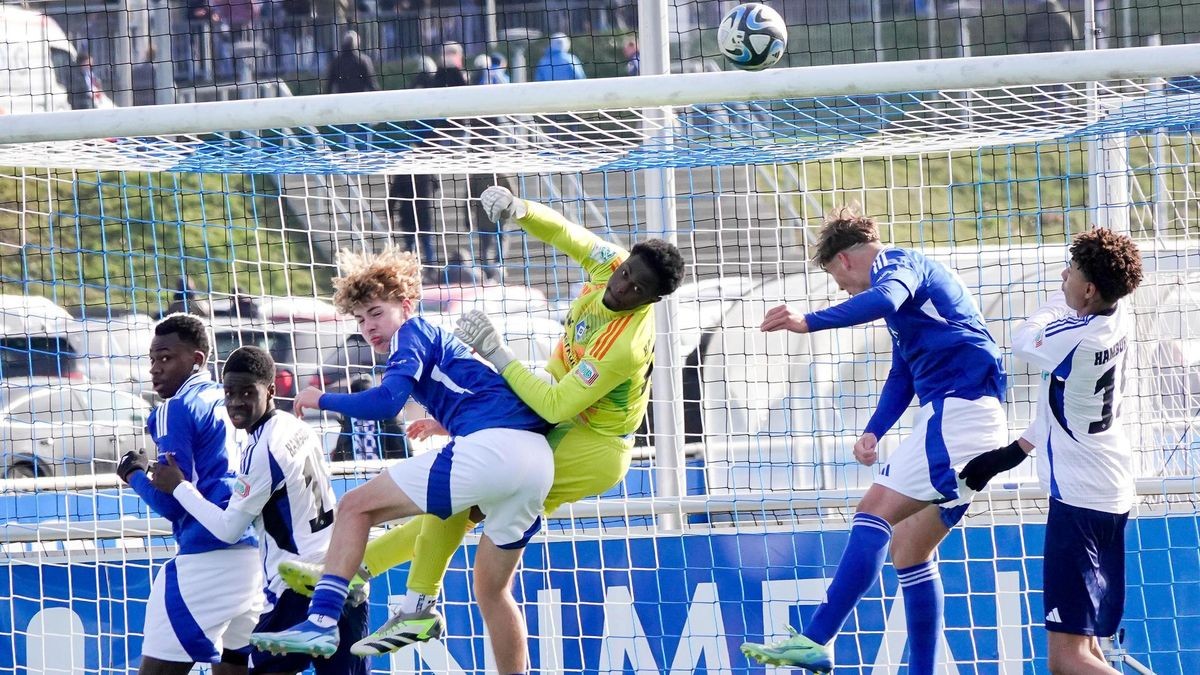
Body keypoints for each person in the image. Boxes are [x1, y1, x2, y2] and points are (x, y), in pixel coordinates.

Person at [277, 185, 686, 654]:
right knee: (491, 588)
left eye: (639, 290)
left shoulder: (624, 346)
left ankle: (377, 584)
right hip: (536, 423)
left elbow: (554, 407)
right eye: (628, 274)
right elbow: (566, 232)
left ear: (652, 300)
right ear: (625, 259)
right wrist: (520, 209)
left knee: (455, 504)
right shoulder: (609, 262)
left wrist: (499, 353)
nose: (623, 287)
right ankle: (373, 581)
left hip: (589, 444)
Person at [246, 246, 554, 674]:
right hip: (536, 465)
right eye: (359, 319)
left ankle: (320, 621)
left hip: (492, 452)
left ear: (405, 306)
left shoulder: (413, 332)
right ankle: (418, 608)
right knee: (494, 592)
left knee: (355, 507)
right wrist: (445, 425)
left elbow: (387, 401)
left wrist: (321, 398)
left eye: (376, 313)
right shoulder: (440, 345)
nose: (369, 327)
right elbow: (502, 403)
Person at [739, 207, 1008, 674]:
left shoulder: (896, 263)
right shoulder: (908, 306)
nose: (845, 290)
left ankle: (814, 639)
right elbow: (904, 371)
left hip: (960, 413)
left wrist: (809, 321)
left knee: (873, 513)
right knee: (909, 549)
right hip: (972, 418)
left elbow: (882, 298)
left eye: (838, 280)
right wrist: (874, 430)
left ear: (844, 260)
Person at [959, 229, 1143, 675]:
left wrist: (1056, 303)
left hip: (1080, 505)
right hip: (1110, 491)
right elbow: (1060, 407)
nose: (1063, 275)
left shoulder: (1078, 338)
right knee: (1086, 649)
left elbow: (1024, 339)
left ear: (1090, 289)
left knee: (1067, 661)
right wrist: (1013, 452)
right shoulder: (1117, 316)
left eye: (1072, 272)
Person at [150, 345, 369, 675]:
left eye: (247, 393)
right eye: (229, 392)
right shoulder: (298, 429)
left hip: (301, 589)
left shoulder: (264, 449)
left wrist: (178, 486)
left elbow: (228, 529)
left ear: (269, 391)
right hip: (343, 577)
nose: (236, 403)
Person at [116, 313, 261, 674]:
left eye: (165, 358)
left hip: (206, 559)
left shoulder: (175, 409)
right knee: (233, 667)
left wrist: (133, 475)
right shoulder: (233, 401)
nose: (155, 369)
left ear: (197, 360)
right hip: (254, 556)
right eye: (152, 359)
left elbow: (168, 499)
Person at [331, 373, 408, 462]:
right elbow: (404, 450)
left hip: (371, 469)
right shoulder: (387, 417)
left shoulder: (350, 421)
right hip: (379, 470)